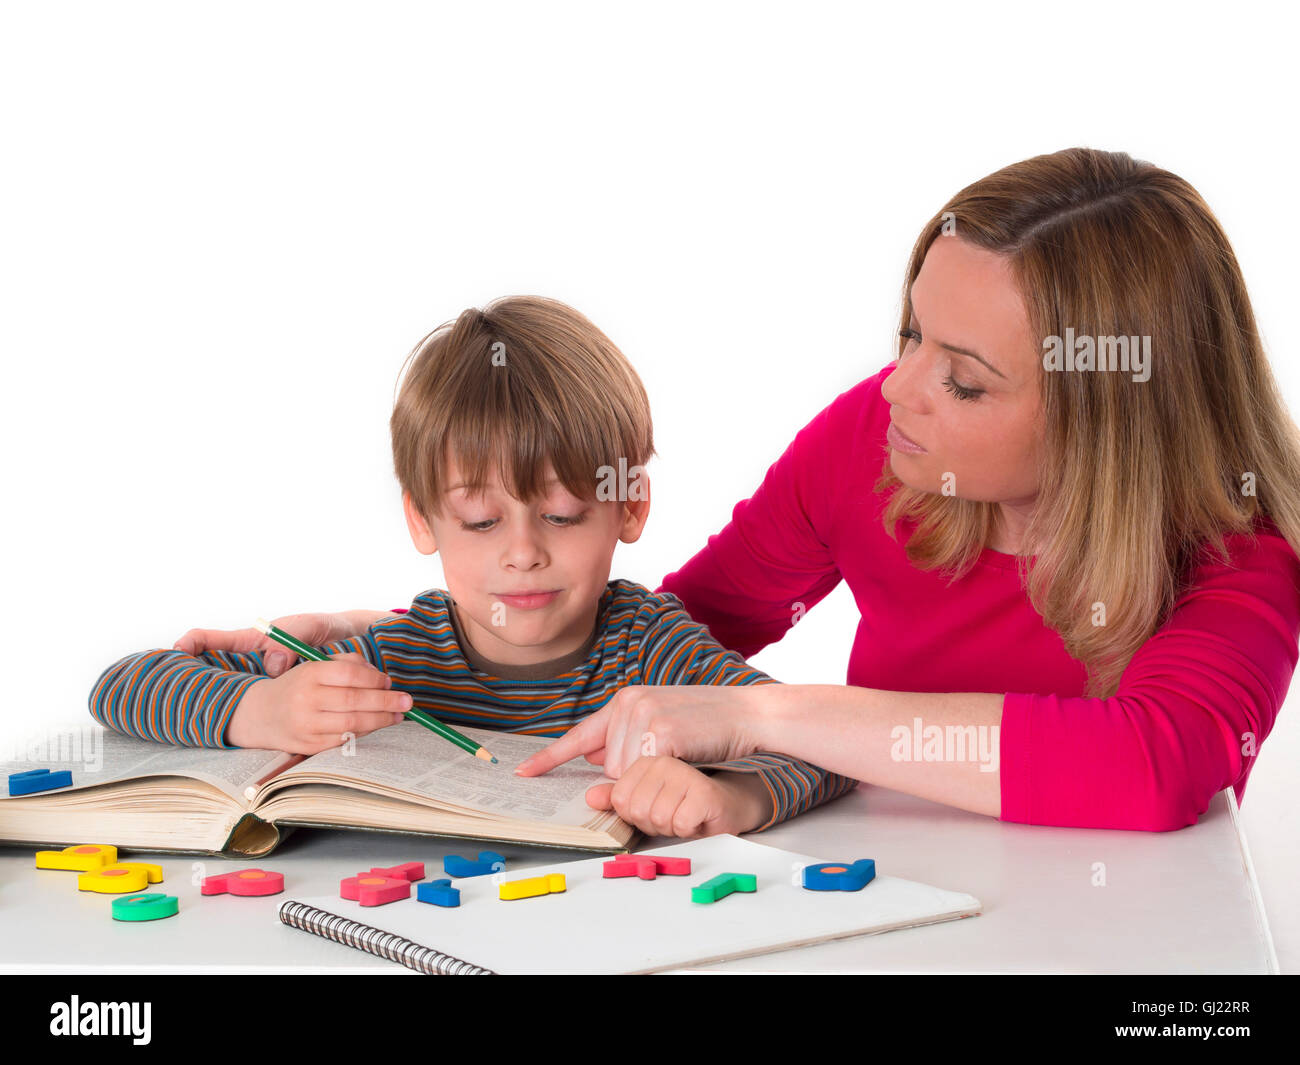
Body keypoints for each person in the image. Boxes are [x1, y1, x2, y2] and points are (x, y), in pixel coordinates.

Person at [230, 148, 1300, 832]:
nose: (901, 388)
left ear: (1106, 416)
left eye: (963, 378)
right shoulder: (875, 444)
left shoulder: (1241, 547)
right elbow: (673, 635)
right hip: (884, 889)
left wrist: (765, 716)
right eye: (911, 334)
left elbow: (1153, 769)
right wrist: (456, 632)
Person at [88, 296, 858, 839]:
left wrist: (733, 795)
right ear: (422, 519)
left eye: (561, 515)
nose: (522, 551)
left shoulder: (653, 651)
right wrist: (259, 711)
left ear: (629, 506)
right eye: (481, 520)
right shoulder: (395, 657)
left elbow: (828, 746)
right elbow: (121, 683)